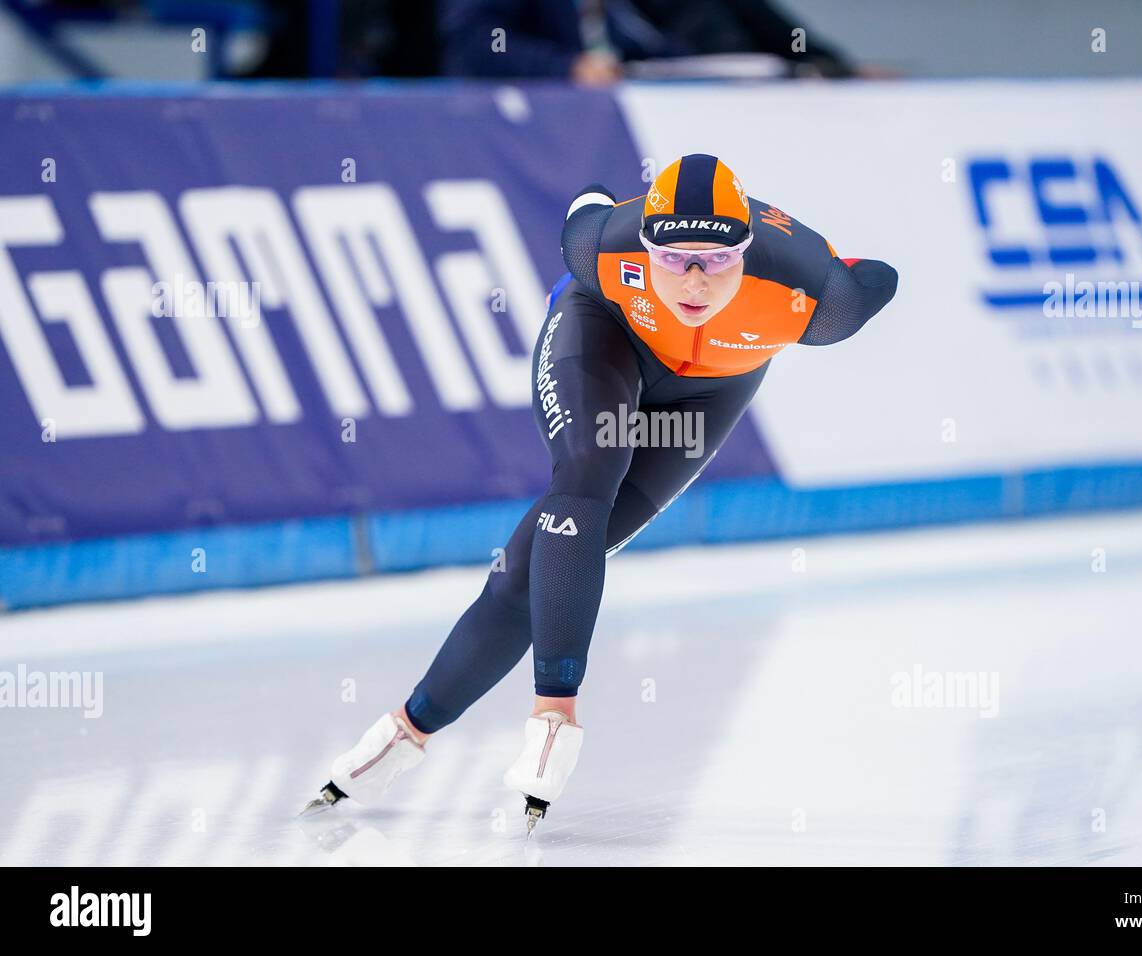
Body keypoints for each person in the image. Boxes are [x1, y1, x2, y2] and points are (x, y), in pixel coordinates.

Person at [302, 154, 899, 830]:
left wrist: (844, 268)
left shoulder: (818, 299)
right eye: (674, 260)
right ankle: (555, 714)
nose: (696, 281)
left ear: (748, 250)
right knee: (589, 469)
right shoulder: (602, 248)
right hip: (604, 335)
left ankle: (403, 735)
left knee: (534, 570)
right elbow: (587, 200)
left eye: (716, 260)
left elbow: (878, 280)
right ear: (645, 244)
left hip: (711, 391)